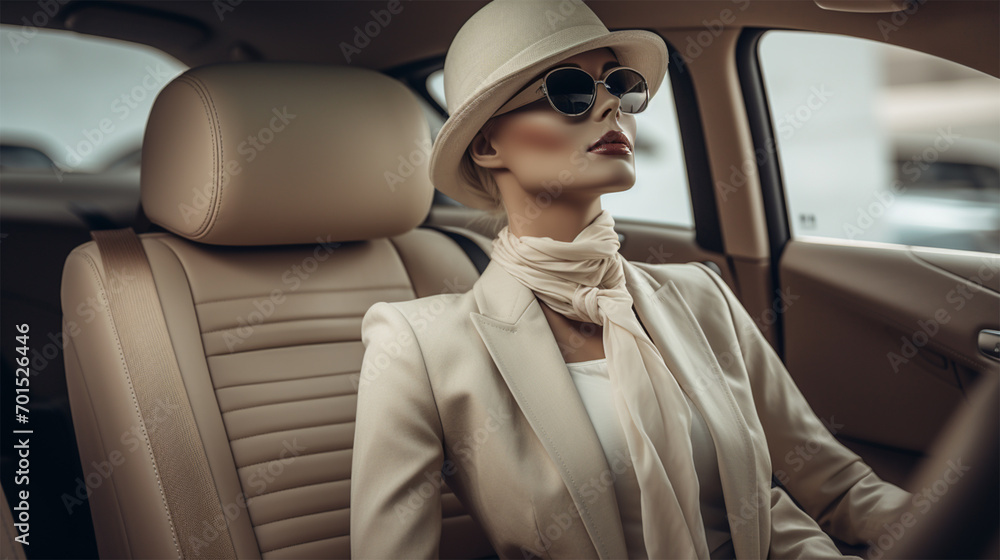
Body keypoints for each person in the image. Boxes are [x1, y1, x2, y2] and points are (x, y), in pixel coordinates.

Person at [350, 1, 913, 558]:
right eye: (570, 91)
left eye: (622, 86)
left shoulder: (702, 295)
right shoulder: (419, 348)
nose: (611, 109)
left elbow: (835, 488)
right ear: (488, 145)